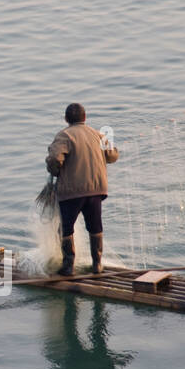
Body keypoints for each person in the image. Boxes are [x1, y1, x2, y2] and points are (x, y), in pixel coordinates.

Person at [46, 102, 119, 275]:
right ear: (85, 118)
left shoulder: (64, 136)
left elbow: (55, 159)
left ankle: (68, 266)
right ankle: (97, 265)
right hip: (96, 189)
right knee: (95, 226)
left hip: (72, 192)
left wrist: (55, 171)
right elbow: (113, 155)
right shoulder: (98, 135)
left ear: (66, 119)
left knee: (66, 228)